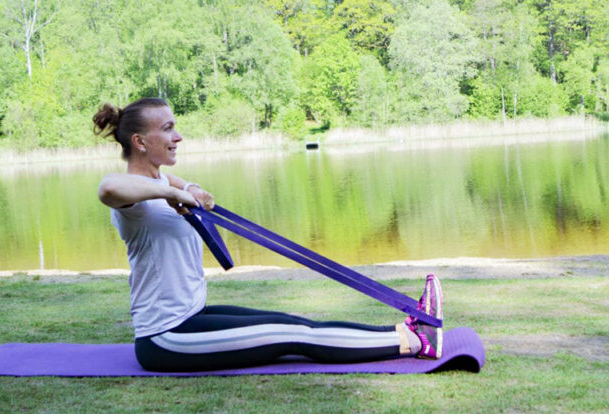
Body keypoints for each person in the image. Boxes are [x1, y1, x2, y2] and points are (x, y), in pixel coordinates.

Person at [94, 97, 443, 372]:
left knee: (292, 322)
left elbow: (166, 181)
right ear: (140, 141)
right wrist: (177, 194)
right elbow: (108, 187)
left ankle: (402, 329)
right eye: (168, 129)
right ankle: (414, 343)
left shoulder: (158, 181)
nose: (178, 136)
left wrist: (191, 187)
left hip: (193, 315)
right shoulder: (133, 201)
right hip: (166, 337)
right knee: (292, 337)